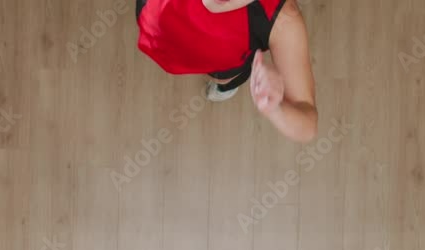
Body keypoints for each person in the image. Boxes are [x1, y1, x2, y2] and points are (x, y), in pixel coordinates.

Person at [135, 0, 319, 143]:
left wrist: (275, 109)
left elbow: (308, 123)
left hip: (219, 59)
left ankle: (226, 84)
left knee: (222, 77)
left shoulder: (283, 18)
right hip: (160, 25)